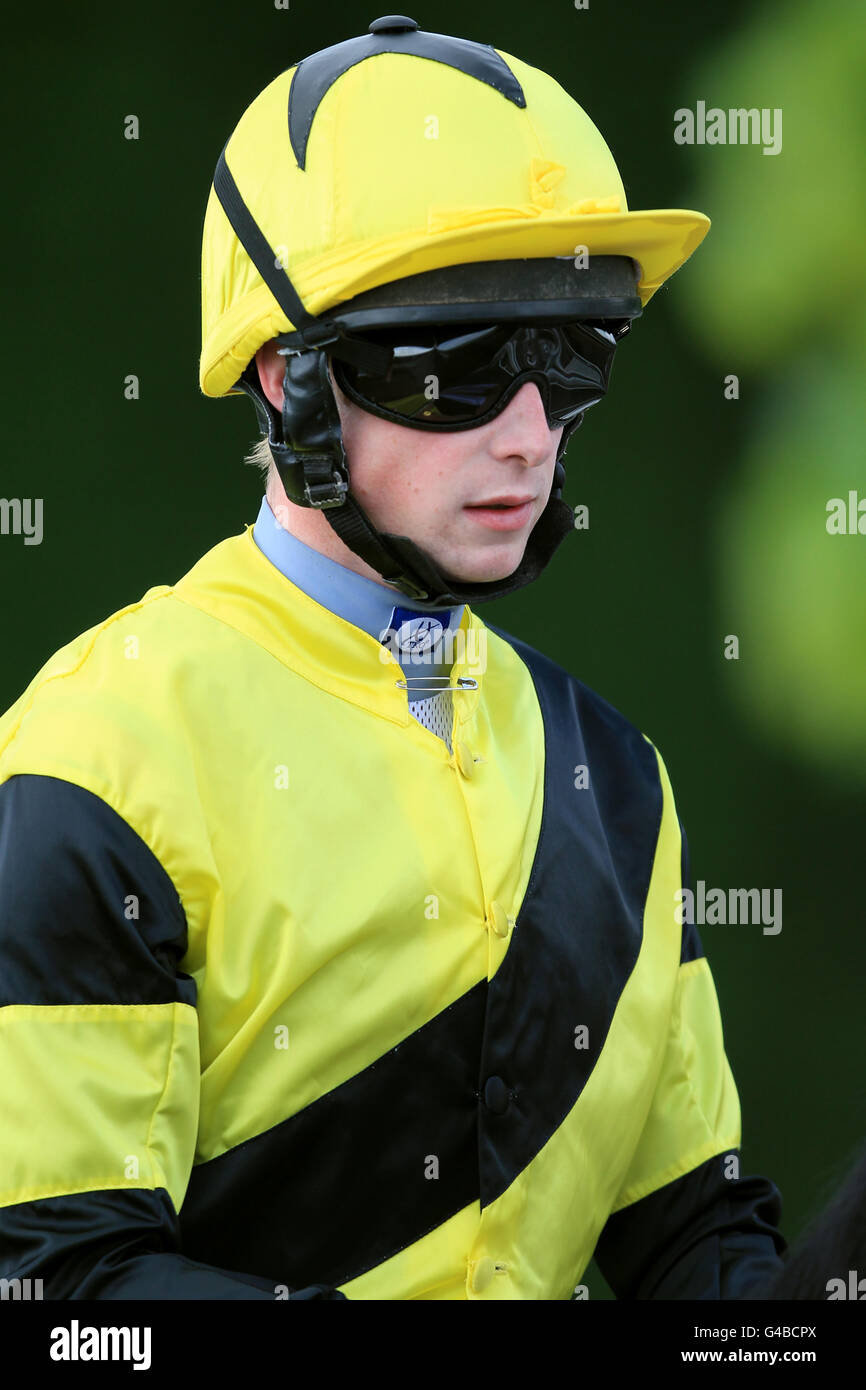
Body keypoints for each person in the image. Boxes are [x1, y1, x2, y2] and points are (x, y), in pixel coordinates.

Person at [0, 15, 786, 1299]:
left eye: (570, 354)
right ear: (287, 378)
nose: (530, 434)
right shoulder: (96, 758)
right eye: (463, 363)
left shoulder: (617, 780)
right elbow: (58, 1295)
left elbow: (694, 1251)